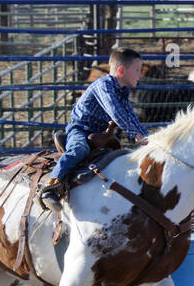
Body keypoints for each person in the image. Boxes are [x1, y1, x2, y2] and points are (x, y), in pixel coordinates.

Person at [39, 45, 150, 213]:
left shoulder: (122, 91)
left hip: (100, 134)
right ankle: (51, 186)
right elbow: (116, 112)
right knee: (79, 149)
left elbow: (130, 115)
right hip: (81, 129)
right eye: (137, 70)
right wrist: (136, 134)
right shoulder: (103, 85)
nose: (140, 75)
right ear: (121, 70)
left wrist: (147, 139)